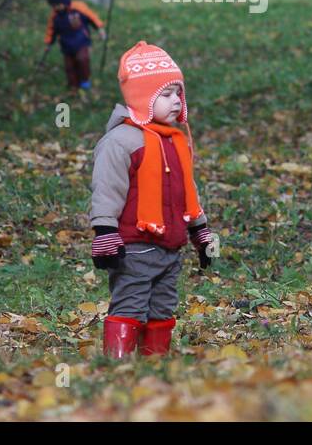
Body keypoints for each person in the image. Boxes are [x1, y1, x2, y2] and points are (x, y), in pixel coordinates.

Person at [88, 41, 216, 357]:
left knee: (162, 307)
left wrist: (199, 231)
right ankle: (117, 366)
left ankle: (154, 366)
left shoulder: (174, 141)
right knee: (131, 303)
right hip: (133, 247)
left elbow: (188, 191)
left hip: (171, 247)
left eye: (179, 94)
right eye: (166, 94)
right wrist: (104, 233)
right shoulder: (121, 142)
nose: (176, 101)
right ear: (143, 97)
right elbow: (106, 189)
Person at [44, 0, 105, 92]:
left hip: (81, 41)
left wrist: (99, 28)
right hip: (66, 45)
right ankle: (73, 85)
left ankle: (85, 80)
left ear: (65, 0)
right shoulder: (55, 16)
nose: (57, 7)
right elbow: (51, 30)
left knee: (82, 60)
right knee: (69, 67)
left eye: (58, 4)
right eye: (54, 5)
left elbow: (92, 17)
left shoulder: (78, 7)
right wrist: (49, 43)